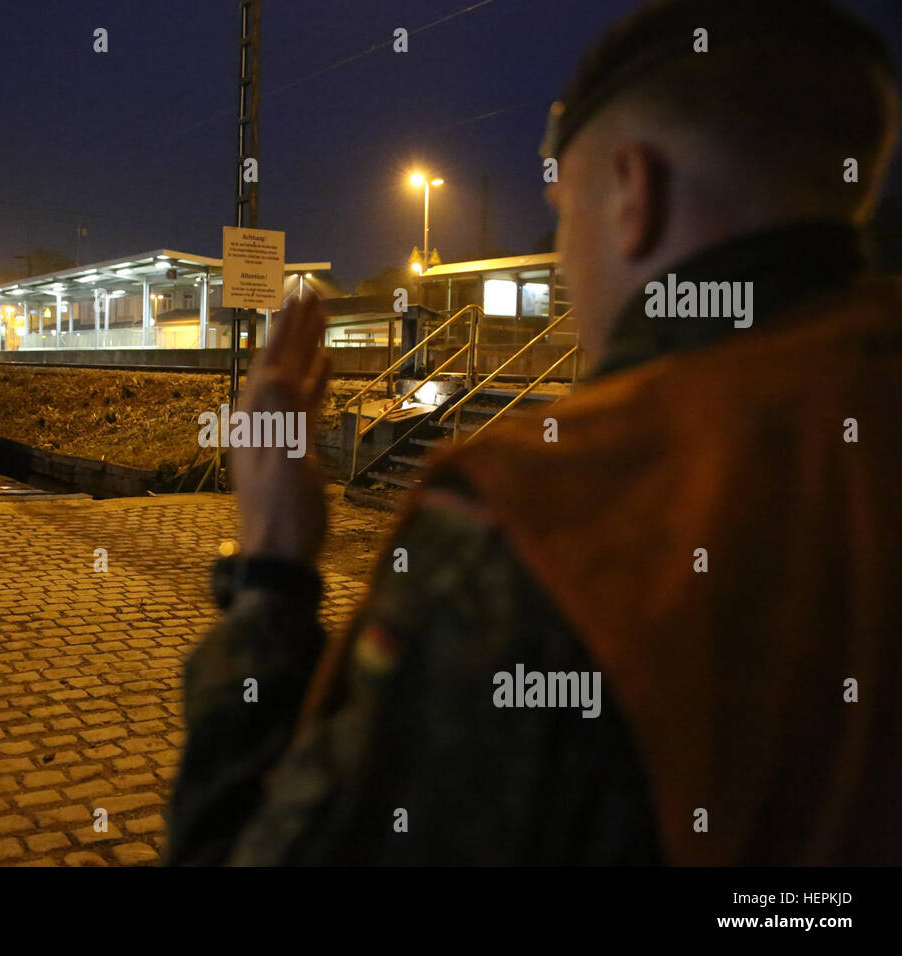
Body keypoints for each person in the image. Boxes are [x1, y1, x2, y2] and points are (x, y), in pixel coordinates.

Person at [167, 0, 901, 865]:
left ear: (634, 191)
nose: (562, 253)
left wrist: (271, 576)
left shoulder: (536, 515)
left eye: (564, 203)